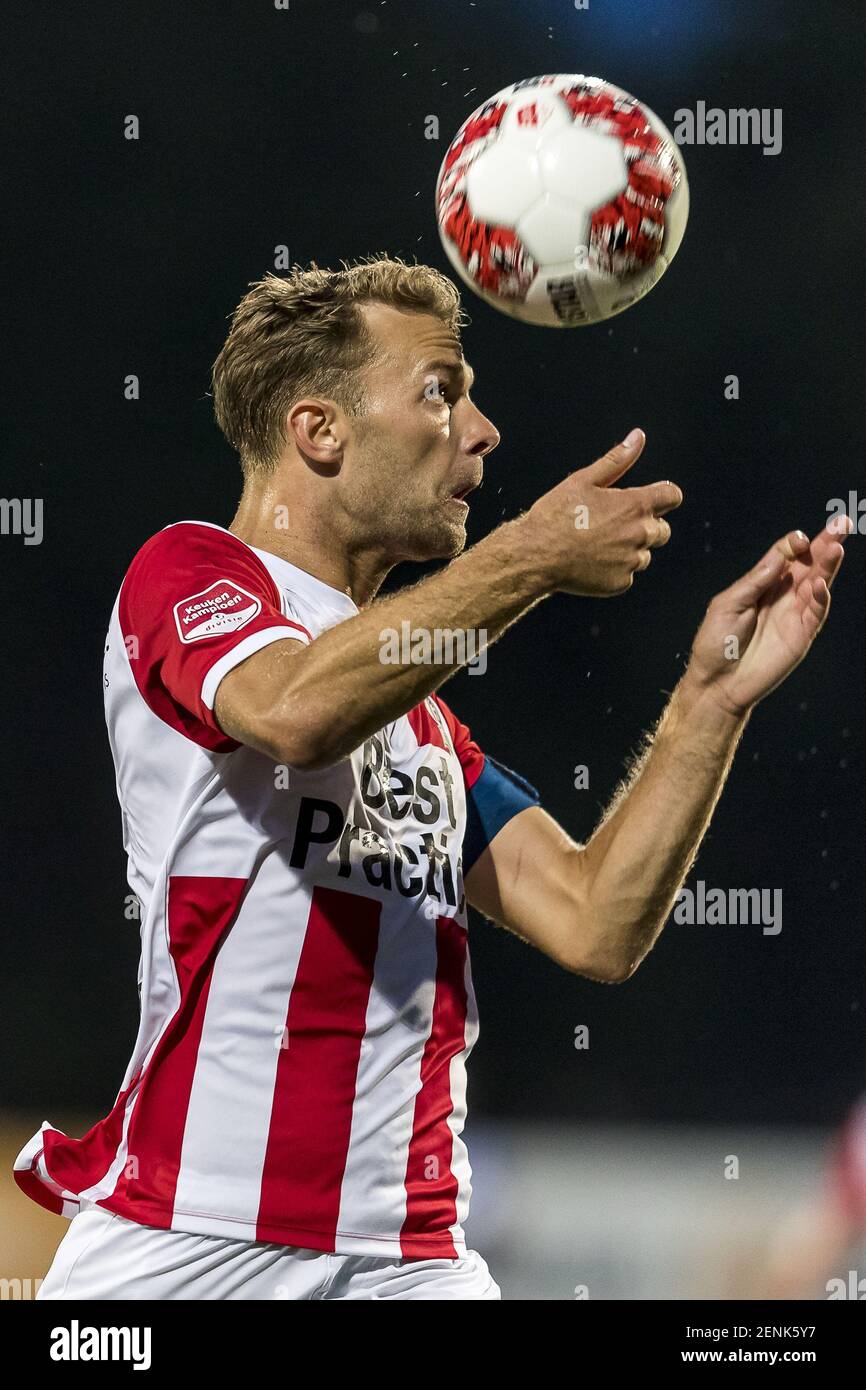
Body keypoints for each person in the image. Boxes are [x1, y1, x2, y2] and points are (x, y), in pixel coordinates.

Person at [16, 258, 850, 1300]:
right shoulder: (189, 575)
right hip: (190, 1242)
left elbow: (594, 920)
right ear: (319, 432)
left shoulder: (423, 728)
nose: (481, 429)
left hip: (413, 1261)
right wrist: (530, 558)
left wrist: (709, 703)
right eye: (440, 390)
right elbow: (293, 713)